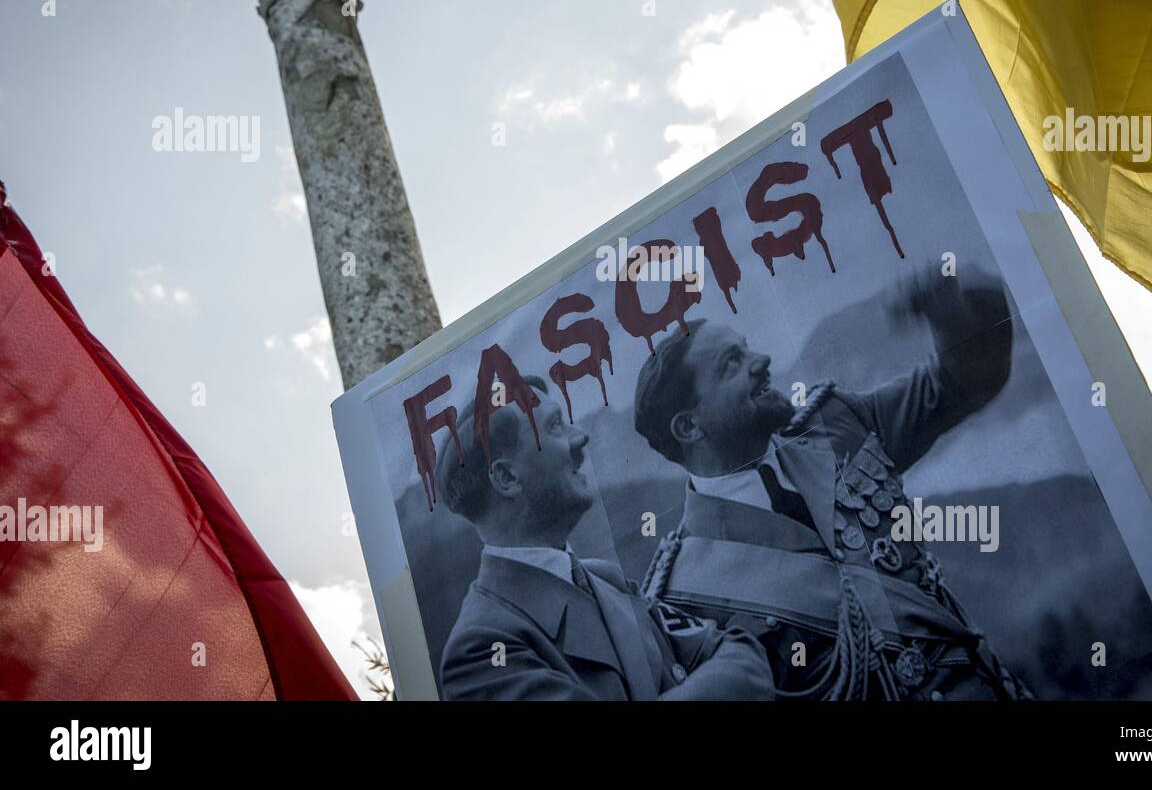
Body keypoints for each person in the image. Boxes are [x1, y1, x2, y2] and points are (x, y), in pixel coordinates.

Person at [636, 265, 1032, 700]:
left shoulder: (838, 425)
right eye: (732, 364)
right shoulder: (685, 590)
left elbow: (965, 384)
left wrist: (952, 312)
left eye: (746, 349)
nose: (762, 362)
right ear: (689, 427)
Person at [436, 375, 773, 700]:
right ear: (508, 476)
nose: (580, 437)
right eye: (555, 427)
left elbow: (745, 657)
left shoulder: (603, 579)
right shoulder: (482, 650)